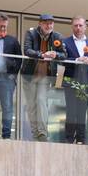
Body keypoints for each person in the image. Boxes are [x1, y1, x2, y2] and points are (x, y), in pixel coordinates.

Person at [22, 13, 62, 141]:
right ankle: (35, 133)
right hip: (29, 75)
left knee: (41, 101)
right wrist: (42, 55)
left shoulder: (57, 36)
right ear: (40, 23)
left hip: (46, 76)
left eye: (50, 23)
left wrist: (55, 54)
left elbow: (64, 54)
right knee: (31, 105)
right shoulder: (31, 33)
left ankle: (42, 132)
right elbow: (27, 50)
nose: (48, 25)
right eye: (45, 23)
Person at [60, 16, 88, 143]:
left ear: (85, 27)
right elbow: (62, 60)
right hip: (70, 82)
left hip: (86, 83)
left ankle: (81, 139)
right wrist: (76, 60)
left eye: (80, 25)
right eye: (76, 25)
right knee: (71, 111)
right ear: (72, 27)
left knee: (82, 113)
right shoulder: (66, 42)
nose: (78, 28)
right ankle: (68, 139)